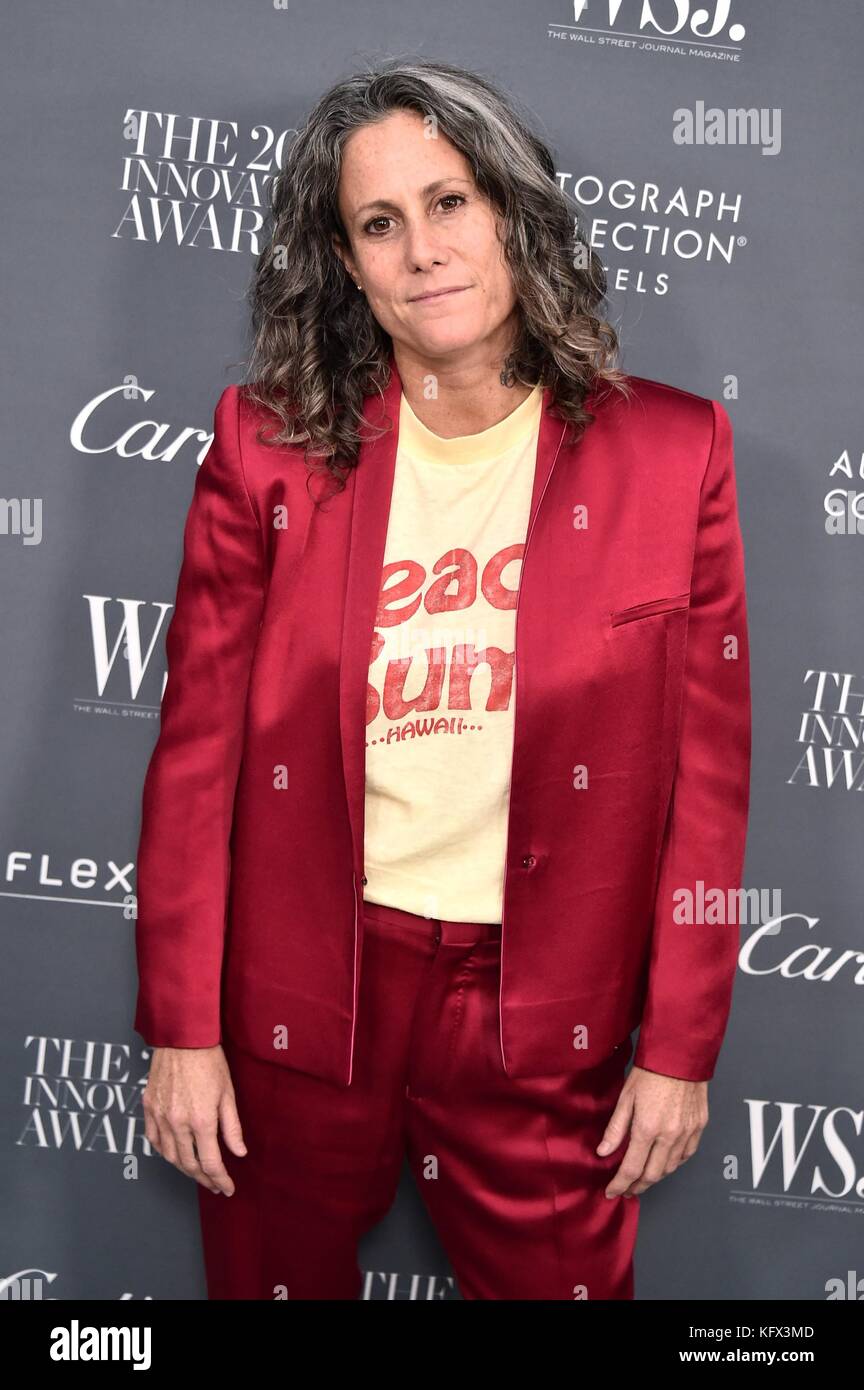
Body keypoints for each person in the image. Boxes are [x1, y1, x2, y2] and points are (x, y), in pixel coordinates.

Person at [134, 58, 751, 1300]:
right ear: (348, 264)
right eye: (380, 222)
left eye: (451, 201)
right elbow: (197, 754)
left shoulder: (675, 452)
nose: (423, 249)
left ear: (514, 212)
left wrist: (679, 1048)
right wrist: (184, 1031)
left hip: (538, 1009)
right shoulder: (268, 447)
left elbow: (707, 782)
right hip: (307, 991)